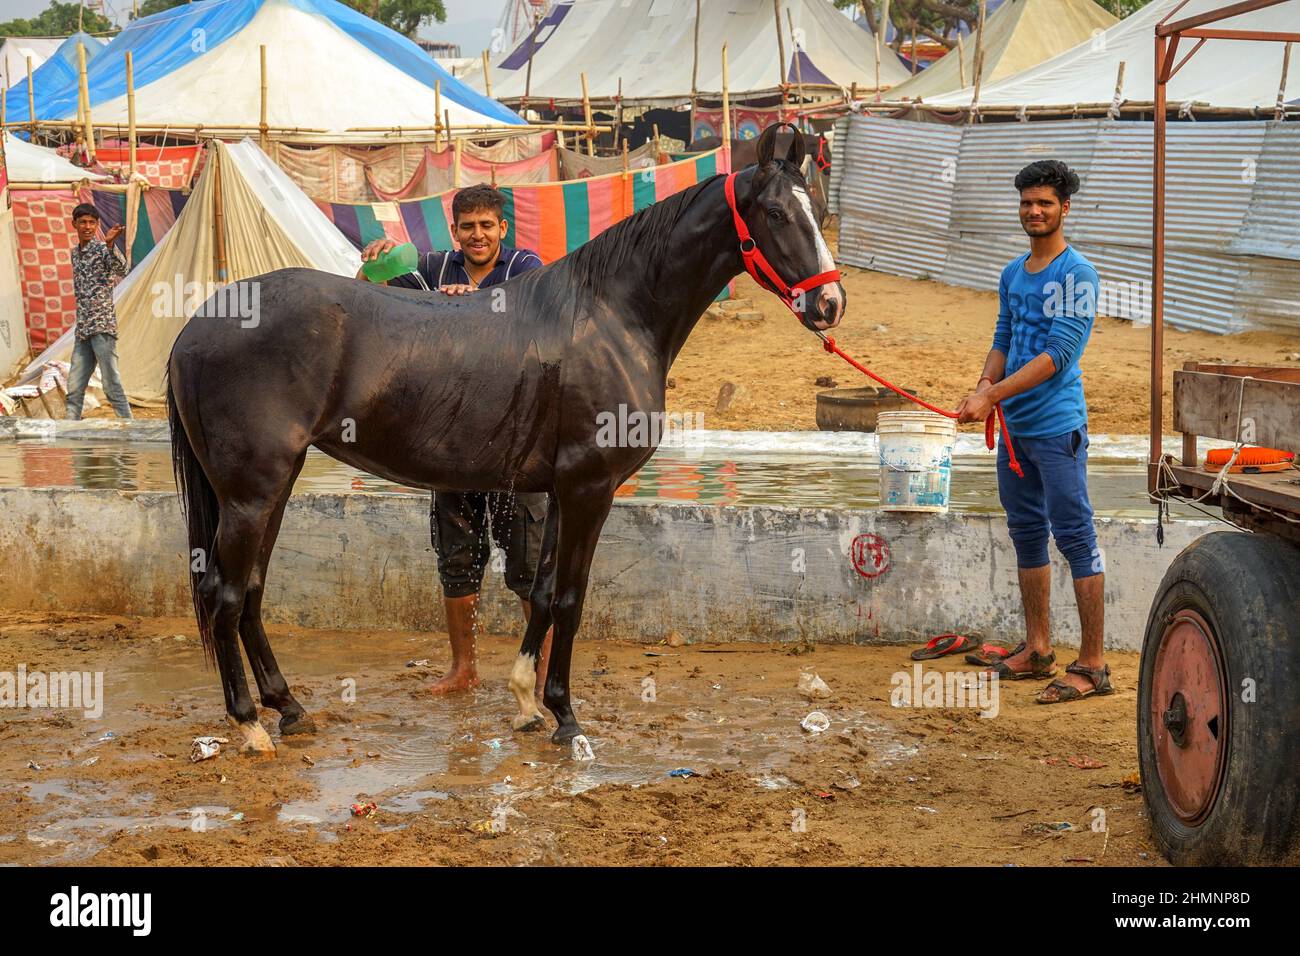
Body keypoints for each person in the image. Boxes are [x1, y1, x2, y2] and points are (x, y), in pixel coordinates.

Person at [356, 183, 552, 696]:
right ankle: (463, 669)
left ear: (502, 229)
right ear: (455, 231)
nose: (477, 235)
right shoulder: (432, 267)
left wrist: (480, 305)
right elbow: (364, 300)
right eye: (468, 227)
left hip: (516, 443)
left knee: (528, 563)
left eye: (487, 225)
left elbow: (544, 322)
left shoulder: (525, 267)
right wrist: (371, 264)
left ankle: (542, 669)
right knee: (457, 559)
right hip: (453, 443)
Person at [956, 160, 1111, 705]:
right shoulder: (1013, 273)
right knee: (1026, 532)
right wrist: (982, 383)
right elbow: (1004, 336)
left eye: (1044, 203)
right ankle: (1039, 648)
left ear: (1064, 208)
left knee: (1075, 538)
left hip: (1056, 428)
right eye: (1027, 203)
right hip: (1016, 431)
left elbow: (1059, 355)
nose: (1034, 211)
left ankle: (1092, 665)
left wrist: (991, 397)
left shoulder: (1078, 275)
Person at [66, 204, 132, 420]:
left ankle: (129, 427)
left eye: (92, 223)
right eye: (83, 222)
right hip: (83, 329)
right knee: (74, 387)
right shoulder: (75, 254)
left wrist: (110, 243)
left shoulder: (103, 249)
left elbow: (122, 269)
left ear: (97, 226)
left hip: (102, 326)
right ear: (74, 223)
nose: (87, 226)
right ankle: (70, 430)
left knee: (111, 384)